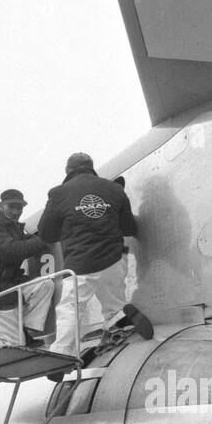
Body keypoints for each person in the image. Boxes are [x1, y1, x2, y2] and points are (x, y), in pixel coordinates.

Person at [37, 152, 152, 357]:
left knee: (71, 307)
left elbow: (46, 233)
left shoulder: (58, 193)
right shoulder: (114, 189)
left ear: (67, 170)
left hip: (80, 264)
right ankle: (118, 318)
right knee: (113, 303)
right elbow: (128, 227)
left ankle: (62, 352)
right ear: (91, 167)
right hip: (113, 259)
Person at [0, 189, 55, 348]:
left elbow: (21, 243)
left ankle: (26, 330)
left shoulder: (9, 226)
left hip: (7, 287)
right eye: (11, 207)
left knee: (45, 285)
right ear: (1, 206)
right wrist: (47, 237)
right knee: (13, 345)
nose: (16, 212)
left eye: (19, 208)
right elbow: (14, 251)